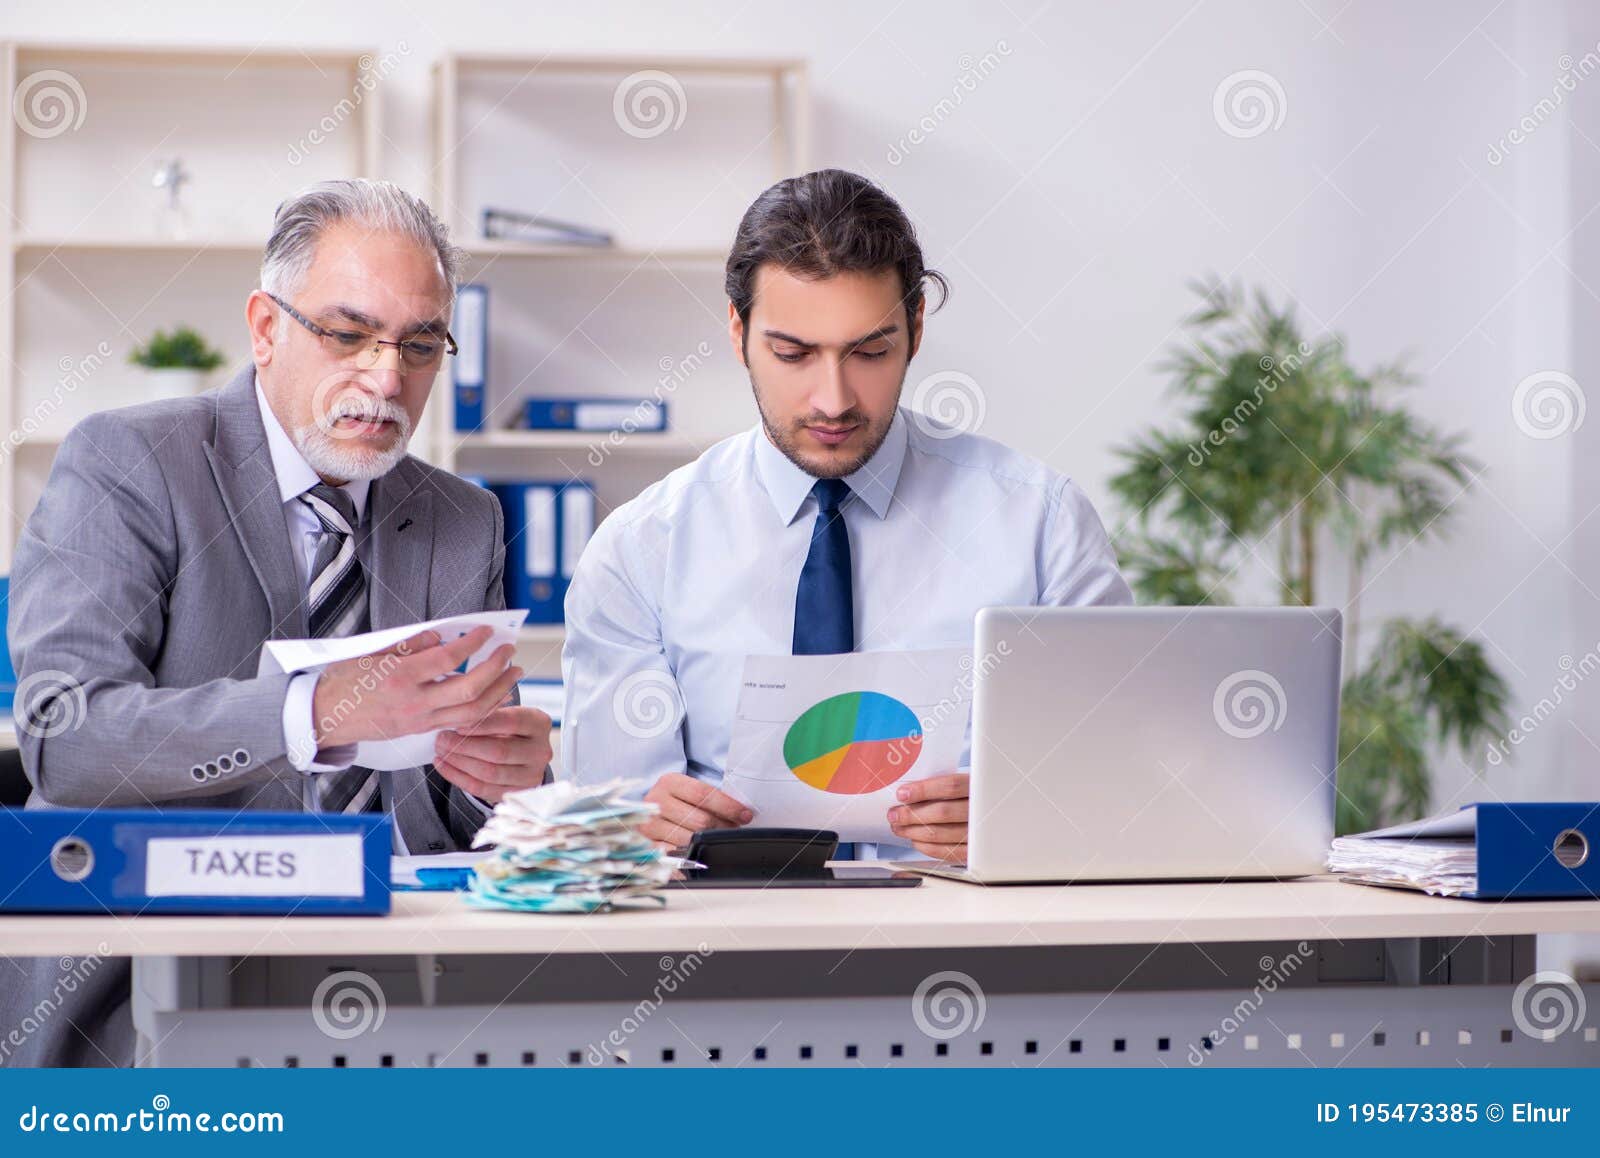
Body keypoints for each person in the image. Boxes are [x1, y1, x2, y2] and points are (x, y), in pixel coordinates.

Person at [2, 178, 552, 1066]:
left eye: (419, 344)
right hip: (148, 986)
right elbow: (65, 737)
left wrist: (502, 781)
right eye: (347, 334)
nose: (386, 378)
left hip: (409, 994)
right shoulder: (132, 461)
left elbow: (452, 815)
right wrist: (314, 713)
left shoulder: (464, 518)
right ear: (266, 329)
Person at [562, 168, 1131, 863]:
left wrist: (1031, 818)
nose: (833, 400)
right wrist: (630, 822)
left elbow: (1119, 787)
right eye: (793, 353)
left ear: (916, 329)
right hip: (724, 947)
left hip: (971, 943)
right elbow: (602, 818)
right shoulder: (639, 549)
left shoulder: (1041, 525)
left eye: (869, 352)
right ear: (738, 331)